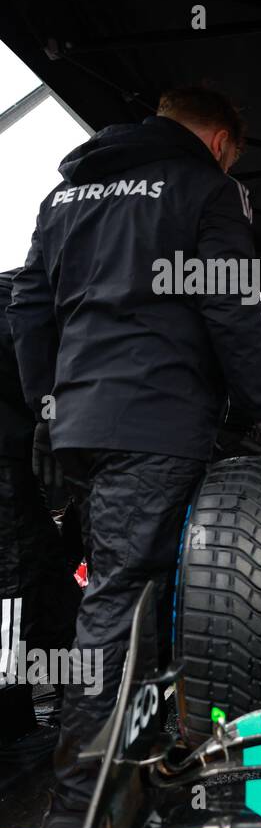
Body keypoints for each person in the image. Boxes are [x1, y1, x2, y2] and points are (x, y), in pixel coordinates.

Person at [6, 85, 261, 828]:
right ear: (221, 139)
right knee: (121, 602)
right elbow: (231, 307)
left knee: (116, 587)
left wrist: (52, 405)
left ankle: (136, 761)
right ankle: (80, 816)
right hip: (156, 419)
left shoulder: (66, 194)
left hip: (83, 424)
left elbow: (29, 309)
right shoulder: (204, 187)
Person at [0, 269, 79, 748]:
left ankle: (27, 712)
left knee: (44, 579)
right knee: (12, 588)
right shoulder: (23, 302)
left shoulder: (24, 294)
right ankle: (11, 718)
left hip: (17, 466)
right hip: (9, 467)